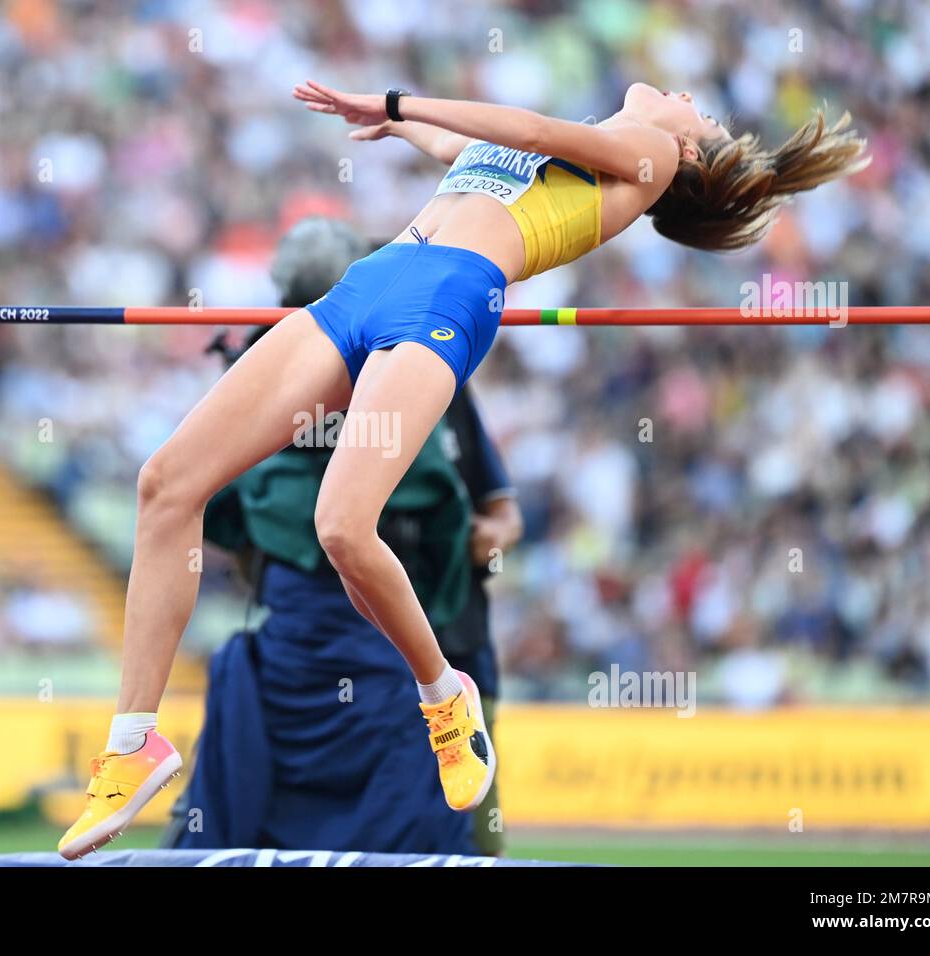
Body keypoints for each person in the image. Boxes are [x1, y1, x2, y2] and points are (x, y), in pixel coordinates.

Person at [58, 81, 869, 858]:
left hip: (444, 297)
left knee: (342, 524)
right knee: (168, 484)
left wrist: (400, 101)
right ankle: (134, 744)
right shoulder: (591, 158)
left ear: (689, 154)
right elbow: (483, 147)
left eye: (706, 116)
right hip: (367, 283)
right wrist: (403, 127)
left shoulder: (650, 153)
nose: (692, 102)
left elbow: (530, 130)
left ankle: (444, 696)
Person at [162, 218, 520, 855]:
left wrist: (477, 543)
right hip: (311, 646)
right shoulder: (266, 369)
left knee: (461, 822)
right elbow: (207, 499)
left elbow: (496, 517)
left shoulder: (426, 366)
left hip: (428, 646)